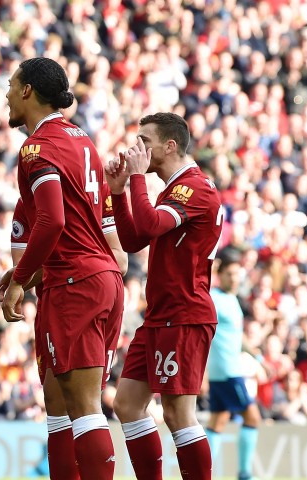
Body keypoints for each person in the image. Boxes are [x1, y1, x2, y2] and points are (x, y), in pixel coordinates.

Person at [0, 57, 124, 479]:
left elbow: (53, 221)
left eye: (12, 86)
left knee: (85, 406)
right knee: (58, 401)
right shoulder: (82, 139)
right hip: (89, 277)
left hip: (77, 282)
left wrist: (20, 282)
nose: (6, 94)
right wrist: (24, 274)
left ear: (28, 91)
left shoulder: (37, 147)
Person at [106, 112, 223, 480]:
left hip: (186, 313)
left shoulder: (195, 188)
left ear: (169, 145)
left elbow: (151, 224)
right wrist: (117, 191)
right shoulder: (172, 189)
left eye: (145, 140)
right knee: (126, 404)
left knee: (177, 414)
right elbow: (134, 238)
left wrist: (137, 177)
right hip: (160, 314)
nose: (137, 147)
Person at [206, 247, 260, 480]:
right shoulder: (215, 299)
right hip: (228, 371)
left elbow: (237, 337)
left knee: (218, 421)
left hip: (224, 371)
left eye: (237, 274)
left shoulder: (231, 299)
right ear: (221, 274)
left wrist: (257, 357)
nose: (235, 278)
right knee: (252, 417)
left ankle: (202, 474)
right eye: (230, 274)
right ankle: (245, 474)